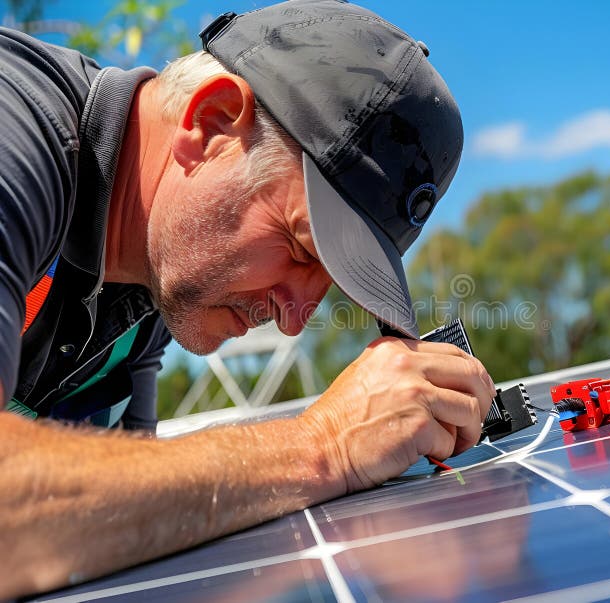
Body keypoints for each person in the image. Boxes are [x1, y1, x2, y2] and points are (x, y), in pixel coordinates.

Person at [0, 0, 495, 597]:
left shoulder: (151, 292)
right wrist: (326, 446)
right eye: (300, 249)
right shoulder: (15, 133)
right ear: (209, 123)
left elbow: (108, 528)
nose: (292, 321)